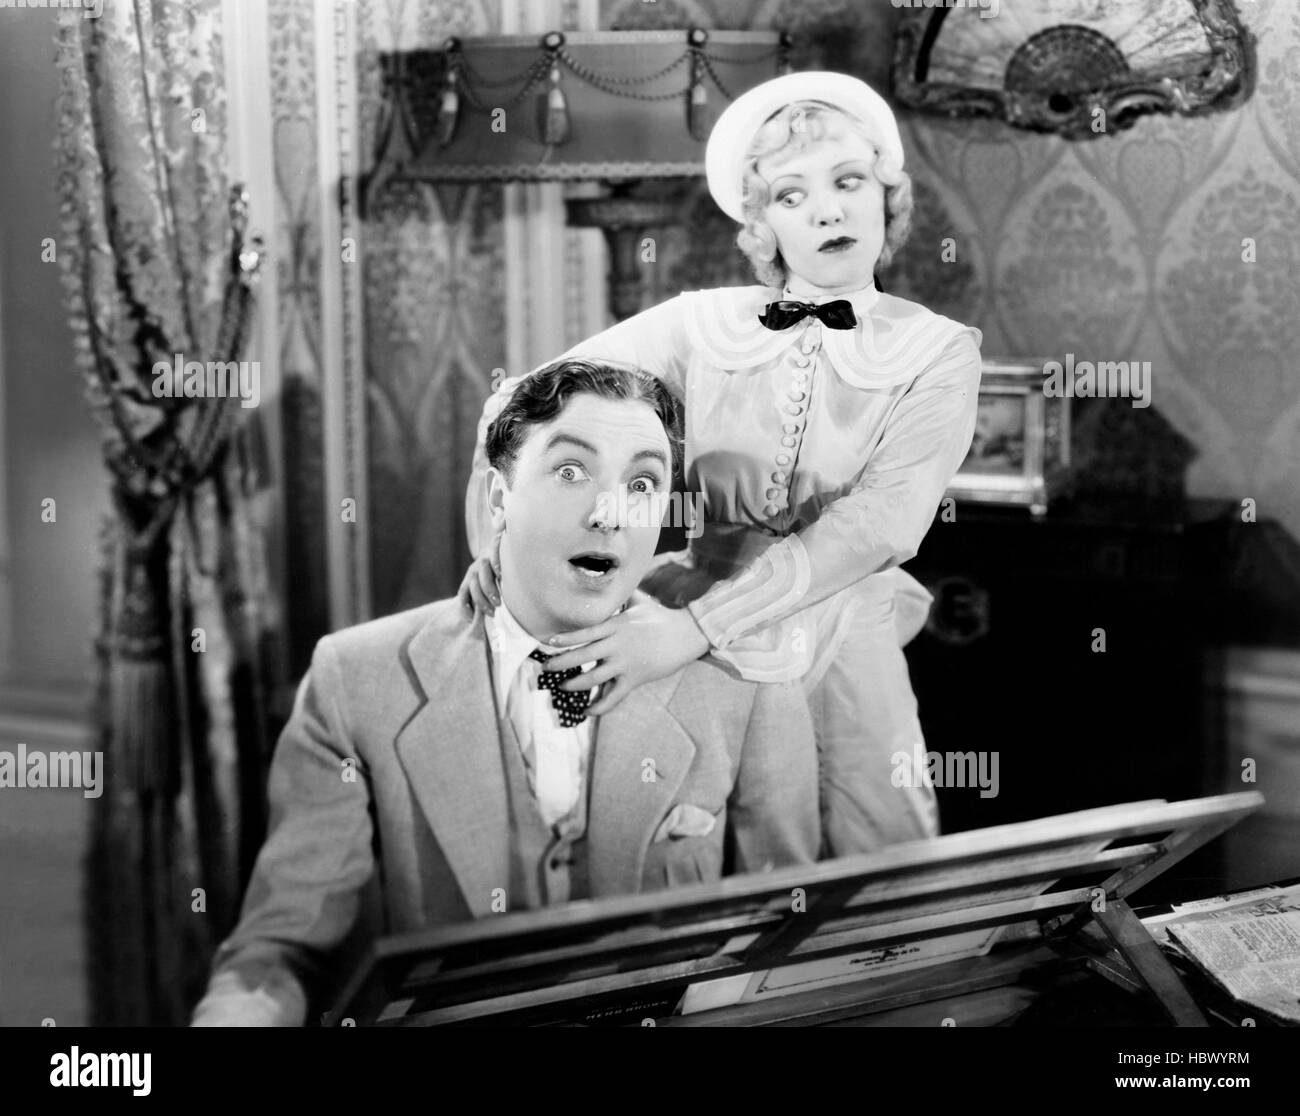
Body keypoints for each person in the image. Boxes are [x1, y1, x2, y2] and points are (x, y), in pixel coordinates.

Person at [192, 358, 819, 1027]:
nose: (610, 513)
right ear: (497, 499)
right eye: (572, 471)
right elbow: (281, 950)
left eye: (641, 482)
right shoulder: (357, 679)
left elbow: (787, 938)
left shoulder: (744, 684)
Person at [461, 72, 983, 857]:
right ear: (762, 224)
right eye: (791, 196)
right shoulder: (702, 322)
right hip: (691, 612)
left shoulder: (938, 350)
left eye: (848, 182)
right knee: (709, 843)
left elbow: (883, 522)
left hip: (842, 623)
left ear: (887, 195)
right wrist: (511, 565)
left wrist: (696, 629)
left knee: (885, 834)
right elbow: (519, 405)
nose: (828, 211)